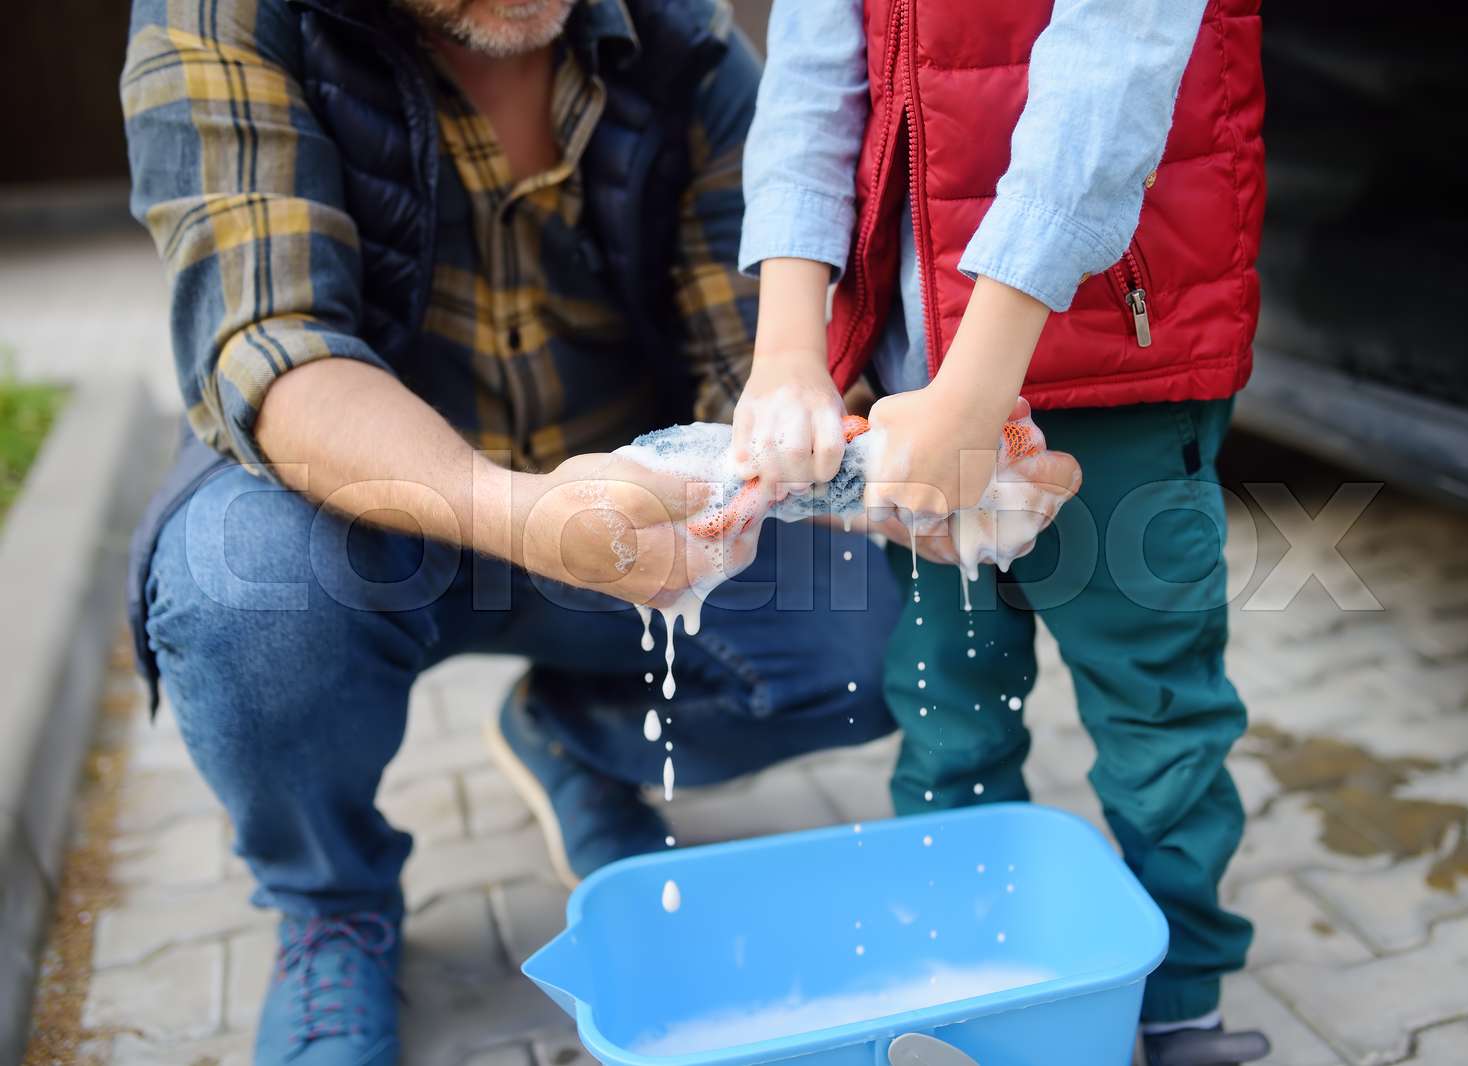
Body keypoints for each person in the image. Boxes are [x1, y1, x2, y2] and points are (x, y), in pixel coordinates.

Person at [117, 1, 908, 1061]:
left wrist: (905, 473)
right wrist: (522, 516)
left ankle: (569, 737)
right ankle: (332, 906)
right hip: (348, 520)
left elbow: (750, 375)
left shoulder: (691, 47)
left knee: (870, 637)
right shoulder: (224, 18)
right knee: (235, 594)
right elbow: (275, 344)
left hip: (621, 523)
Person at [734, 1, 1270, 1062]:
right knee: (947, 701)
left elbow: (1111, 67)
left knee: (1156, 704)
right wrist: (786, 344)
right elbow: (807, 82)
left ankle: (1179, 998)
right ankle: (968, 976)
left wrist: (977, 384)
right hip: (914, 393)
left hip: (1120, 365)